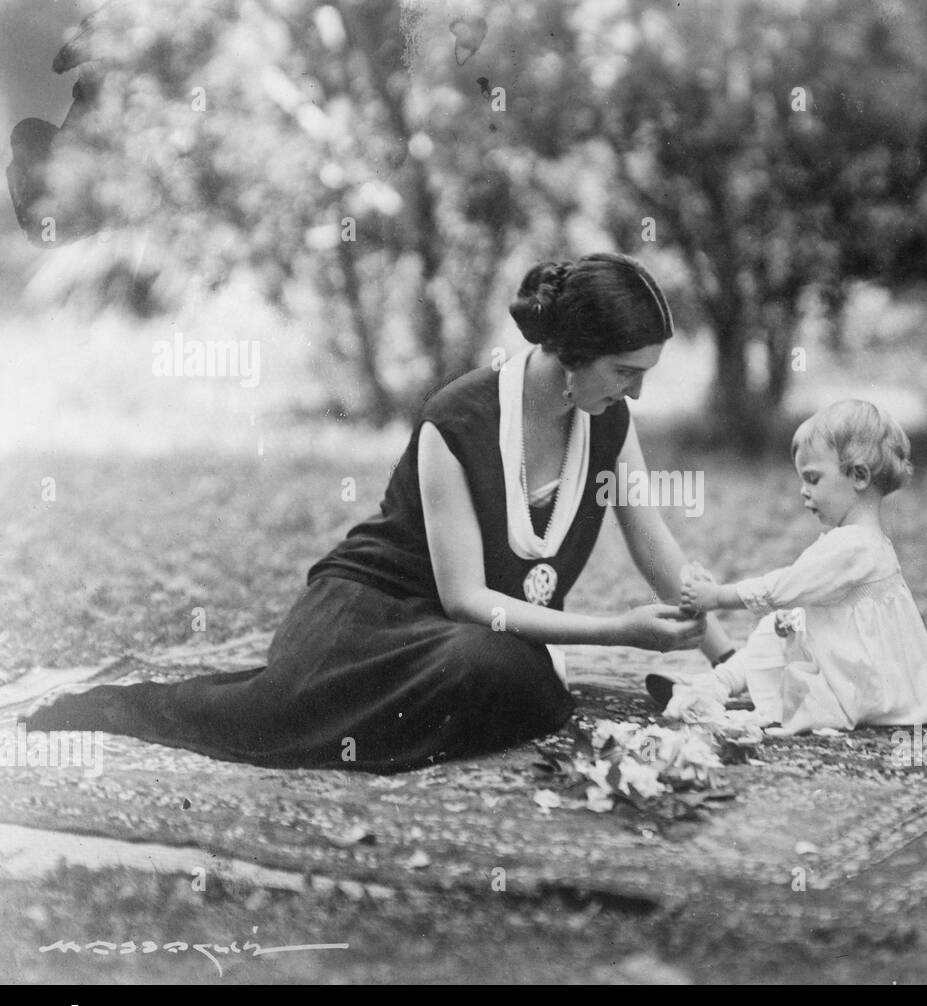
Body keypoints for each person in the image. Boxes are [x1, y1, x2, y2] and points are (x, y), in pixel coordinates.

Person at [27, 253, 736, 771]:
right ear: (571, 355)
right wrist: (619, 632)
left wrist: (725, 656)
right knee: (485, 666)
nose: (638, 393)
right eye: (626, 372)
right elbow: (464, 599)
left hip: (475, 633)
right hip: (372, 613)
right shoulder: (456, 419)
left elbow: (653, 544)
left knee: (521, 678)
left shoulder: (607, 417)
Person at [655, 399, 927, 736]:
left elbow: (782, 588)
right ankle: (715, 682)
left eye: (813, 479)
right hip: (873, 671)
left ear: (859, 476)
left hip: (860, 685)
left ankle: (712, 685)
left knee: (778, 629)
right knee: (782, 625)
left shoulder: (850, 546)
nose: (804, 492)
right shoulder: (868, 541)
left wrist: (717, 596)